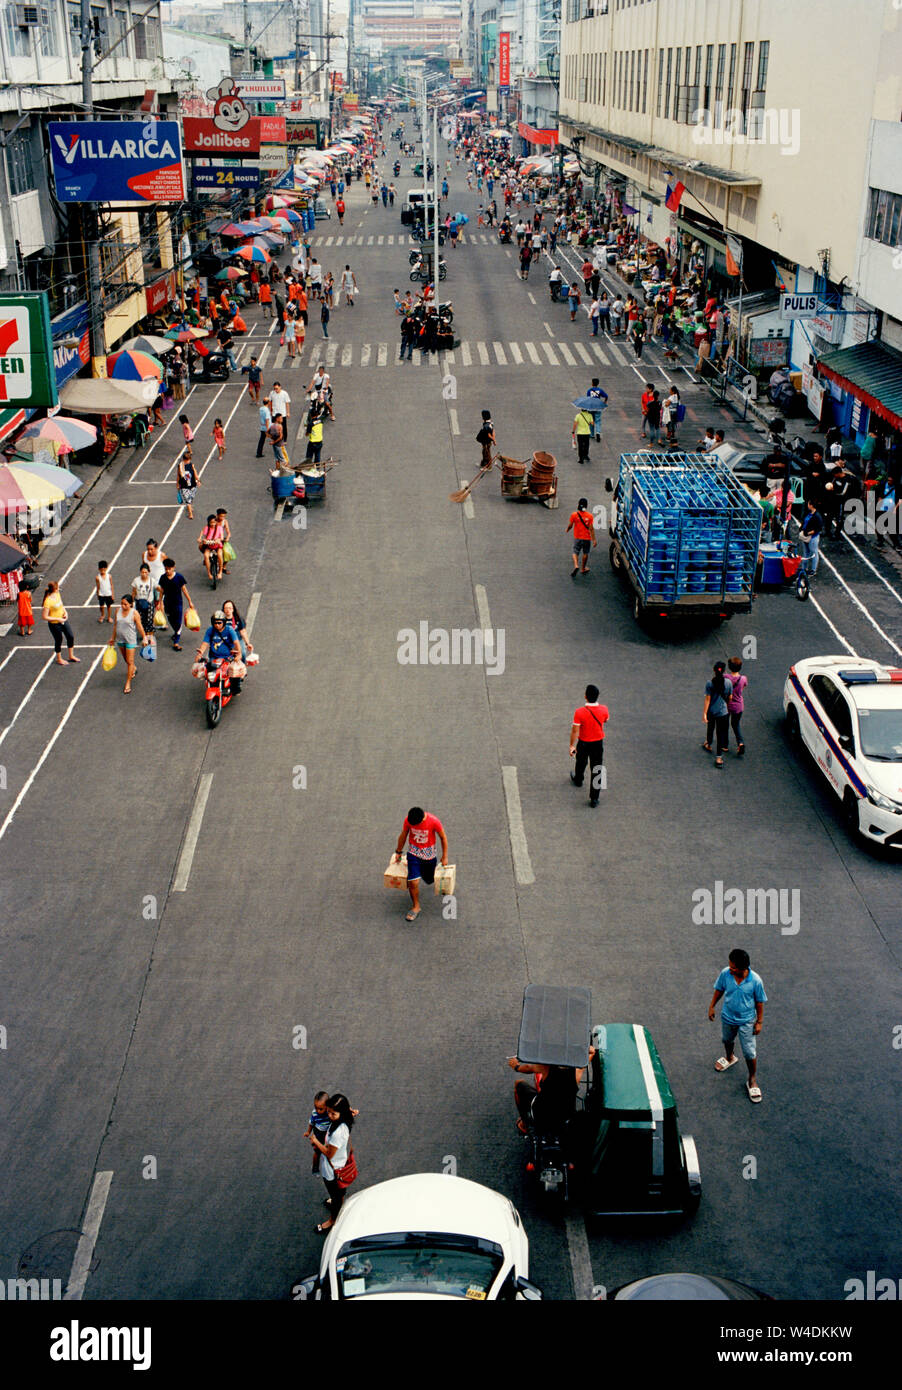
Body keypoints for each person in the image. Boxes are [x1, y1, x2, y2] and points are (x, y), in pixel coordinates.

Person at [709, 948, 767, 1103]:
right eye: (730, 965)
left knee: (749, 1052)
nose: (730, 969)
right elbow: (719, 989)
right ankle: (729, 1058)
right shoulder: (726, 973)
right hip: (728, 1017)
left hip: (746, 1021)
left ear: (743, 968)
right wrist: (712, 1006)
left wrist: (759, 1022)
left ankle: (752, 1079)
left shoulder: (755, 981)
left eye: (734, 967)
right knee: (726, 1040)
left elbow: (760, 1002)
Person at [392, 806, 449, 923]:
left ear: (423, 819)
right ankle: (416, 907)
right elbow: (404, 835)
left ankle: (423, 874)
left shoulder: (434, 821)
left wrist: (445, 856)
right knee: (413, 882)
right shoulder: (408, 820)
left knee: (429, 879)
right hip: (414, 853)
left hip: (429, 854)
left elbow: (443, 838)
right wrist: (398, 851)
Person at [309, 1094, 357, 1232]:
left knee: (335, 1194)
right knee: (338, 1192)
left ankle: (332, 1220)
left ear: (341, 1113)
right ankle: (337, 1203)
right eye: (328, 1111)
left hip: (334, 1169)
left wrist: (316, 1141)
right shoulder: (344, 1121)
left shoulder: (338, 1132)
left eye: (333, 1113)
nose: (329, 1115)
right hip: (339, 1164)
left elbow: (329, 1153)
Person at [569, 683, 609, 807]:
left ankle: (579, 779)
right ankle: (594, 798)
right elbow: (606, 720)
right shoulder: (604, 709)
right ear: (597, 696)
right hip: (598, 743)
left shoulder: (579, 712)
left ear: (585, 696)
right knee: (597, 768)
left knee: (581, 761)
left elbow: (575, 730)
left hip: (584, 742)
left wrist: (572, 745)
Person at [196, 609, 245, 691]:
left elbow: (236, 643)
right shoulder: (210, 630)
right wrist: (200, 654)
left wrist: (239, 654)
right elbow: (205, 643)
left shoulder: (229, 630)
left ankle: (235, 688)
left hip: (228, 658)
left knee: (234, 672)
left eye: (219, 622)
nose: (217, 625)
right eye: (215, 622)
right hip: (214, 658)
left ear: (224, 622)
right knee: (208, 673)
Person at [109, 594, 147, 694]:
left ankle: (128, 683)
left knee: (130, 661)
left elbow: (139, 627)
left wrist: (144, 637)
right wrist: (112, 638)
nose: (123, 606)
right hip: (120, 639)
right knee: (126, 659)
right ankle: (133, 668)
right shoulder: (118, 611)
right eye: (122, 603)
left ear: (131, 604)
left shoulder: (134, 613)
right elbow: (115, 626)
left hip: (130, 640)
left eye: (125, 604)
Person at [158, 557, 193, 651]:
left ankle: (176, 642)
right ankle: (176, 632)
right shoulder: (163, 578)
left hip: (178, 603)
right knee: (171, 620)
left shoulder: (179, 577)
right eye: (166, 569)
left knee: (178, 622)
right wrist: (159, 602)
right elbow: (161, 591)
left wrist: (190, 601)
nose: (168, 571)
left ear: (173, 567)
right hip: (168, 603)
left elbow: (184, 590)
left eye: (169, 569)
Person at [703, 660, 733, 769]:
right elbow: (730, 698)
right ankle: (719, 757)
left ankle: (708, 743)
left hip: (712, 711)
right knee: (720, 734)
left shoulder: (710, 683)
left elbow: (707, 699)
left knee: (710, 728)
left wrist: (704, 713)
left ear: (714, 671)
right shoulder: (728, 683)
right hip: (723, 713)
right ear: (724, 671)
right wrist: (725, 706)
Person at [42, 581, 79, 666]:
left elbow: (61, 605)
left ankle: (71, 655)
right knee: (58, 640)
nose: (59, 589)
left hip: (62, 620)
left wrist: (65, 612)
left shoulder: (58, 594)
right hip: (54, 624)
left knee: (70, 636)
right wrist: (57, 619)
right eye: (57, 587)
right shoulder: (47, 601)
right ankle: (59, 658)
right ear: (54, 589)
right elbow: (44, 616)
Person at [566, 498, 596, 578]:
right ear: (586, 506)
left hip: (577, 537)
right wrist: (594, 540)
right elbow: (591, 529)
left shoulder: (574, 515)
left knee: (575, 552)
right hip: (587, 538)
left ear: (578, 504)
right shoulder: (590, 516)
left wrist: (567, 530)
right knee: (585, 553)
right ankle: (583, 568)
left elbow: (570, 525)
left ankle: (576, 565)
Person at [726, 656, 747, 757]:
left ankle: (724, 745)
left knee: (724, 725)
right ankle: (740, 743)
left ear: (729, 667)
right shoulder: (743, 678)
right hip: (738, 706)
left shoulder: (726, 677)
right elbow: (744, 686)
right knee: (736, 725)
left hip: (727, 705)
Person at [799, 497, 824, 576]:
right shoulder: (809, 513)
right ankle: (804, 568)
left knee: (813, 553)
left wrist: (808, 533)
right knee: (806, 552)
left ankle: (813, 569)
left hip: (812, 537)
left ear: (811, 505)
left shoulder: (817, 516)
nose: (807, 505)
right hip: (807, 535)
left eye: (809, 503)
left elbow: (818, 528)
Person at [131, 563, 158, 634]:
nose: (144, 574)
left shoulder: (152, 581)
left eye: (146, 572)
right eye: (142, 572)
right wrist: (132, 602)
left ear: (149, 572)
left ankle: (149, 634)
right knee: (141, 619)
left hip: (149, 603)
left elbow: (159, 588)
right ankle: (144, 633)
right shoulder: (136, 580)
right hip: (139, 603)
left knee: (149, 620)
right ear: (140, 572)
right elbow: (133, 592)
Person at [198, 514, 225, 581]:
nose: (213, 524)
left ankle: (220, 572)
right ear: (208, 522)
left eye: (214, 522)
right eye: (211, 523)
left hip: (217, 546)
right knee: (206, 556)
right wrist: (200, 538)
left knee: (220, 555)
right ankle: (209, 573)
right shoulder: (207, 528)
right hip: (209, 545)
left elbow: (221, 537)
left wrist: (218, 540)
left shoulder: (219, 528)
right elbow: (202, 532)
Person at [177, 448, 199, 520]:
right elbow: (178, 476)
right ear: (183, 459)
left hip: (193, 485)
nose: (187, 461)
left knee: (191, 498)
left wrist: (198, 480)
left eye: (189, 460)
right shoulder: (180, 466)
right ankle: (190, 514)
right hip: (184, 486)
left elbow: (195, 472)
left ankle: (190, 506)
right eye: (186, 460)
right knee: (188, 500)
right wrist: (177, 484)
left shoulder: (191, 465)